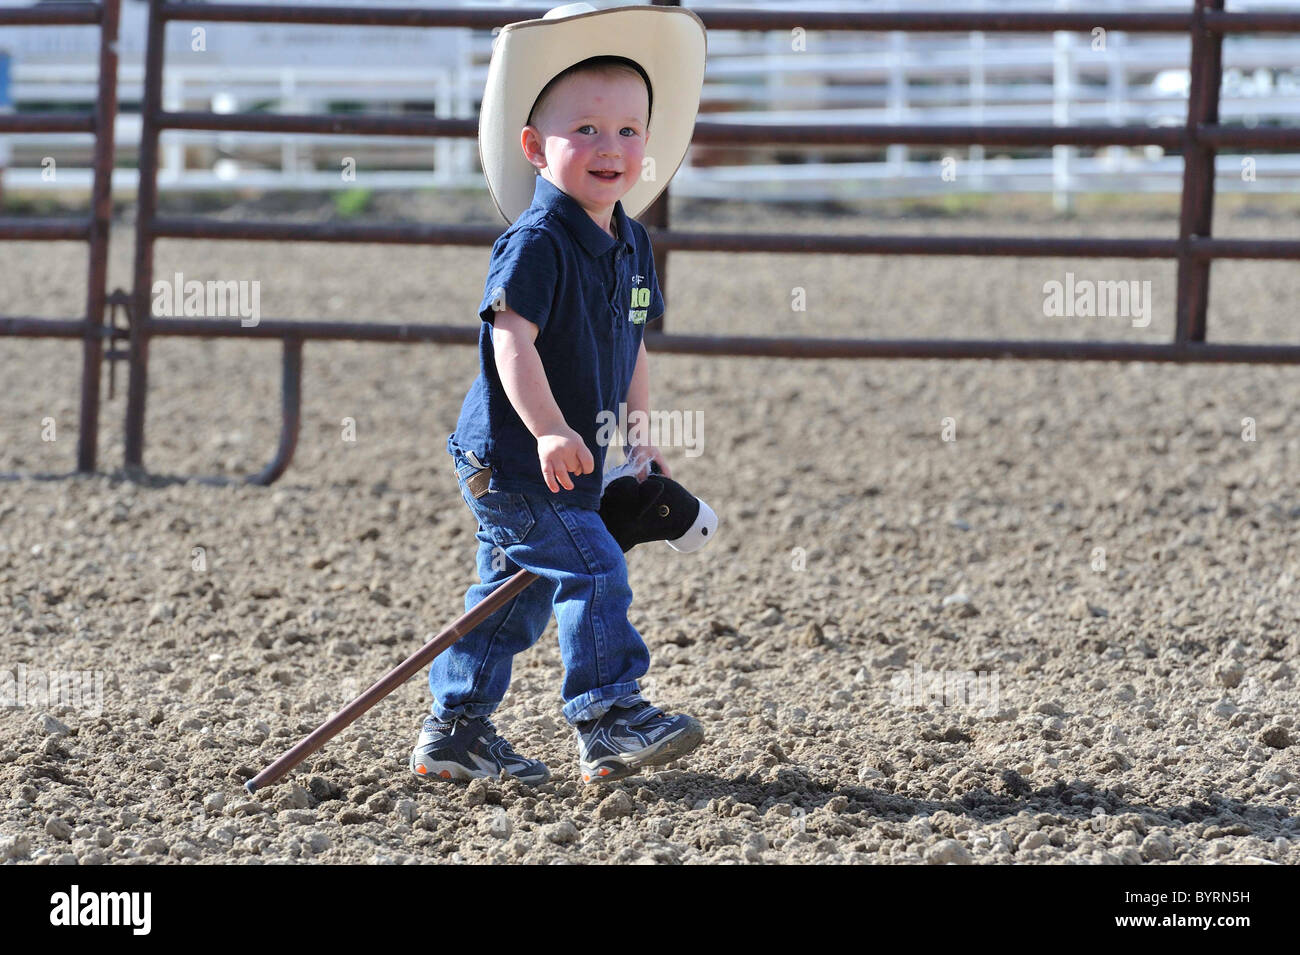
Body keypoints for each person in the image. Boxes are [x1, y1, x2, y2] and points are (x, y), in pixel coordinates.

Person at [410, 2, 709, 785]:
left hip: (562, 457)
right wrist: (546, 428)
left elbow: (633, 339)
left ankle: (455, 732)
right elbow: (511, 337)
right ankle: (609, 716)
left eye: (629, 131)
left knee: (514, 597)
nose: (610, 148)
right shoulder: (536, 242)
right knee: (595, 568)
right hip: (514, 457)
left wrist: (637, 433)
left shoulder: (632, 242)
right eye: (587, 131)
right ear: (536, 148)